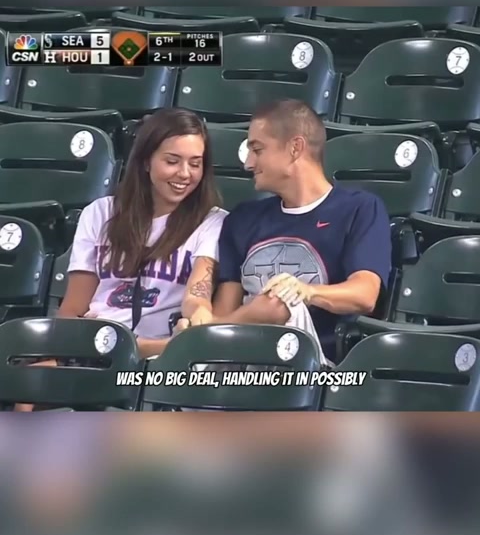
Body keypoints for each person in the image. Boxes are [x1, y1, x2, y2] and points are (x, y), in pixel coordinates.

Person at [212, 99, 392, 364]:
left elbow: (364, 295)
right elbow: (222, 318)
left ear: (295, 148)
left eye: (257, 150)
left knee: (287, 302)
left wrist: (305, 292)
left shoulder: (359, 209)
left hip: (314, 366)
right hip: (240, 357)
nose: (248, 164)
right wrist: (255, 316)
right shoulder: (242, 219)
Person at [58, 108, 227, 358]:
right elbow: (73, 309)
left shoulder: (212, 221)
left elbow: (197, 293)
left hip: (162, 356)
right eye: (172, 161)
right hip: (93, 347)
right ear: (146, 161)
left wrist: (198, 316)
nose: (184, 173)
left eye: (195, 164)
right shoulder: (100, 213)